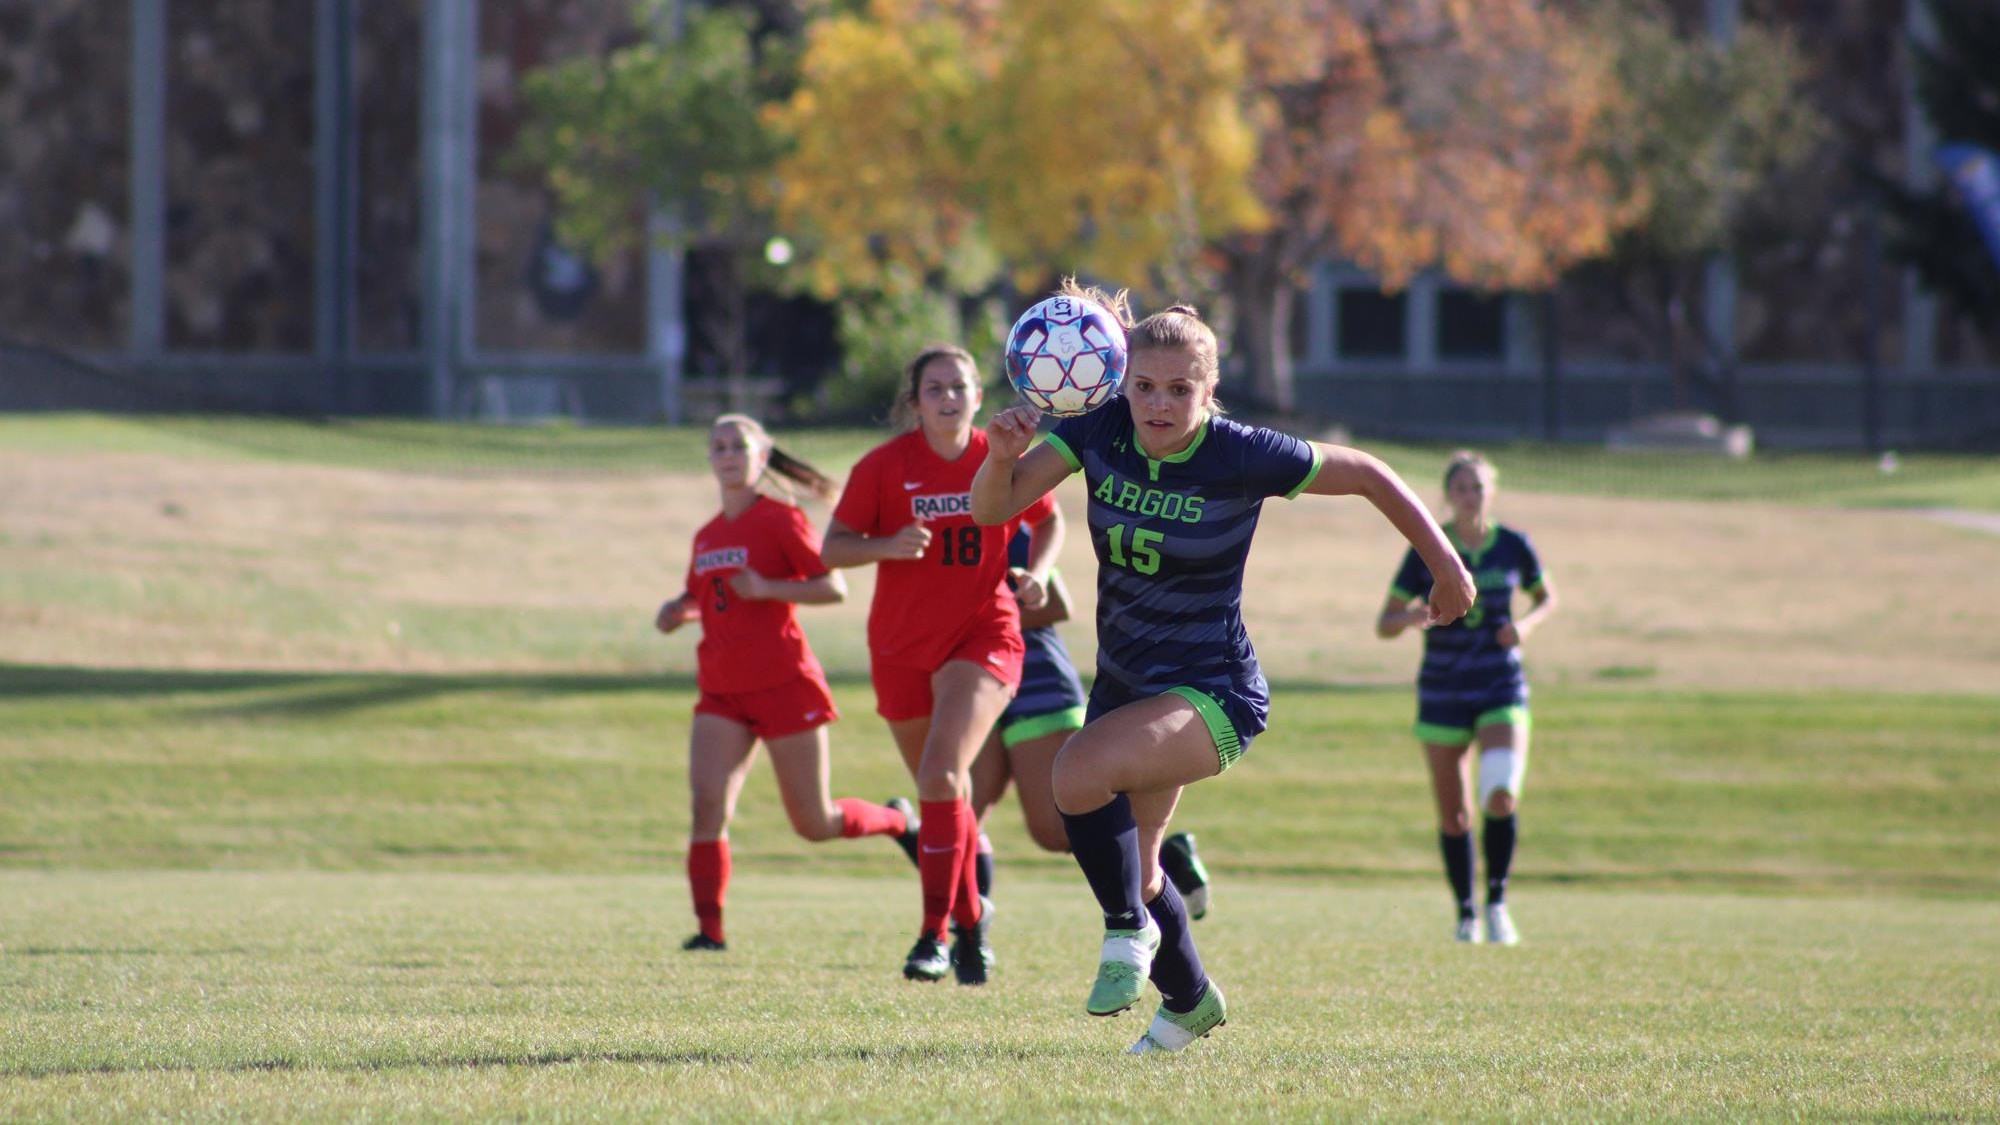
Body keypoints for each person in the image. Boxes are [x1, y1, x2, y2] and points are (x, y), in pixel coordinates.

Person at [971, 283, 1474, 1054]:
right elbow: (991, 510)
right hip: (1126, 685)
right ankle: (1189, 1000)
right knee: (1140, 867)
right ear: (1121, 381)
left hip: (1213, 691)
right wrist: (1000, 457)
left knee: (1074, 773)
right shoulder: (1098, 428)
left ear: (1210, 391)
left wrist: (1446, 566)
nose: (1159, 403)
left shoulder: (1241, 452)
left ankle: (1126, 931)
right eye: (1145, 385)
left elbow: (1370, 473)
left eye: (1180, 389)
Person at [821, 345, 1064, 985]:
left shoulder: (998, 455)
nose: (949, 397)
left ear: (978, 396)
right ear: (915, 402)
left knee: (940, 772)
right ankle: (972, 924)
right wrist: (886, 544)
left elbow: (1049, 521)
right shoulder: (883, 467)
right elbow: (832, 549)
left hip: (984, 635)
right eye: (935, 388)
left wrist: (1037, 575)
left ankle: (933, 934)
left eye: (960, 386)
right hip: (900, 645)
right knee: (942, 793)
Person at [655, 414, 919, 953]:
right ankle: (710, 933)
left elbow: (832, 588)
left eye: (738, 446)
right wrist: (678, 611)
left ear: (761, 456)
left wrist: (768, 588)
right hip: (722, 689)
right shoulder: (707, 535)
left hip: (783, 683)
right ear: (710, 459)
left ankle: (898, 822)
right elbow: (705, 597)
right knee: (707, 806)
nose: (728, 455)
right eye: (718, 447)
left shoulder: (781, 520)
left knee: (814, 823)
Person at [965, 524, 1215, 920]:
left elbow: (1057, 605)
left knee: (1055, 830)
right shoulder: (926, 519)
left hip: (1036, 684)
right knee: (963, 809)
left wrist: (966, 623)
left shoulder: (1008, 525)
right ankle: (966, 937)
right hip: (969, 683)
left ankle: (1163, 853)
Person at [1377, 451, 1557, 945]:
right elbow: (1385, 623)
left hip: (1500, 683)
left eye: (1478, 487)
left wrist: (1525, 627)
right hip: (1443, 688)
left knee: (1500, 793)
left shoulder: (1514, 545)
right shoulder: (1427, 548)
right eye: (1461, 488)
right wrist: (1413, 617)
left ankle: (1497, 904)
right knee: (1455, 816)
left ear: (1490, 492)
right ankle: (1466, 914)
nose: (1470, 496)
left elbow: (1546, 597)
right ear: (1448, 495)